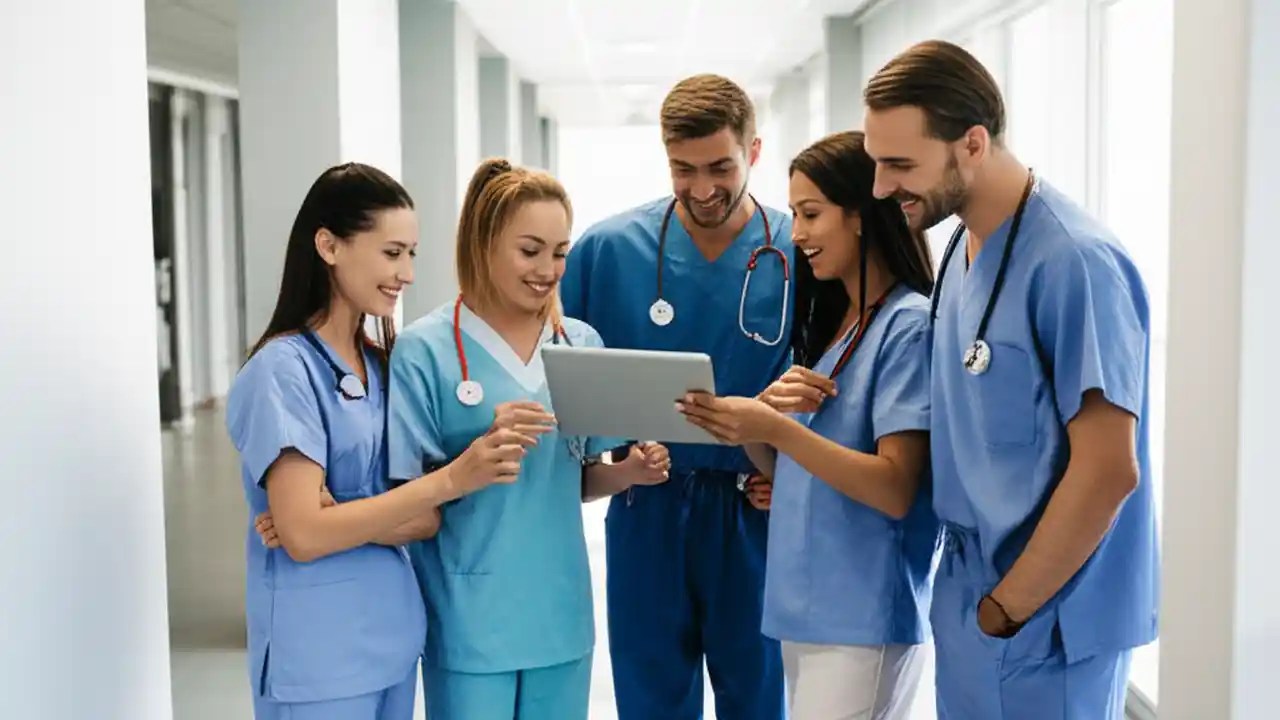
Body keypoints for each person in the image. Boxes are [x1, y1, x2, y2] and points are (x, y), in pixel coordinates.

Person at [861, 40, 1158, 719]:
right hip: (976, 599)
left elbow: (1109, 469)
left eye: (900, 165)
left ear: (971, 143)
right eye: (877, 163)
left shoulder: (1075, 264)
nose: (880, 188)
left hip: (1046, 620)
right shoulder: (963, 251)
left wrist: (1007, 609)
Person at [385, 158, 672, 720]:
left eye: (560, 252)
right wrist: (476, 456)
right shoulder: (425, 350)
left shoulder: (580, 343)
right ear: (485, 242)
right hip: (469, 611)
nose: (548, 269)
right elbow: (408, 494)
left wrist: (630, 471)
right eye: (530, 250)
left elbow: (576, 475)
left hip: (558, 611)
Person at [677, 130, 939, 719]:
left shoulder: (907, 326)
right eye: (794, 214)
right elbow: (801, 467)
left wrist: (777, 430)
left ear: (863, 215)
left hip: (862, 613)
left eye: (811, 214)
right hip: (809, 607)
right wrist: (763, 422)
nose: (796, 234)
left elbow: (895, 488)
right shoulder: (841, 327)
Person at [227, 162, 499, 720]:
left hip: (393, 642)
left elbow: (425, 521)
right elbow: (304, 537)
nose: (407, 273)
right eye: (392, 252)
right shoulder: (283, 371)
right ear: (328, 245)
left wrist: (340, 510)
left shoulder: (383, 365)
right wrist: (446, 481)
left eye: (412, 254)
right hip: (318, 658)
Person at [560, 74, 791, 720]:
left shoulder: (798, 251)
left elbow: (837, 389)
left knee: (761, 697)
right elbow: (558, 370)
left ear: (754, 151)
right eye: (681, 170)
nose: (701, 188)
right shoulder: (608, 251)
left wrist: (797, 480)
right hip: (647, 505)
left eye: (720, 167)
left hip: (755, 513)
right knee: (650, 698)